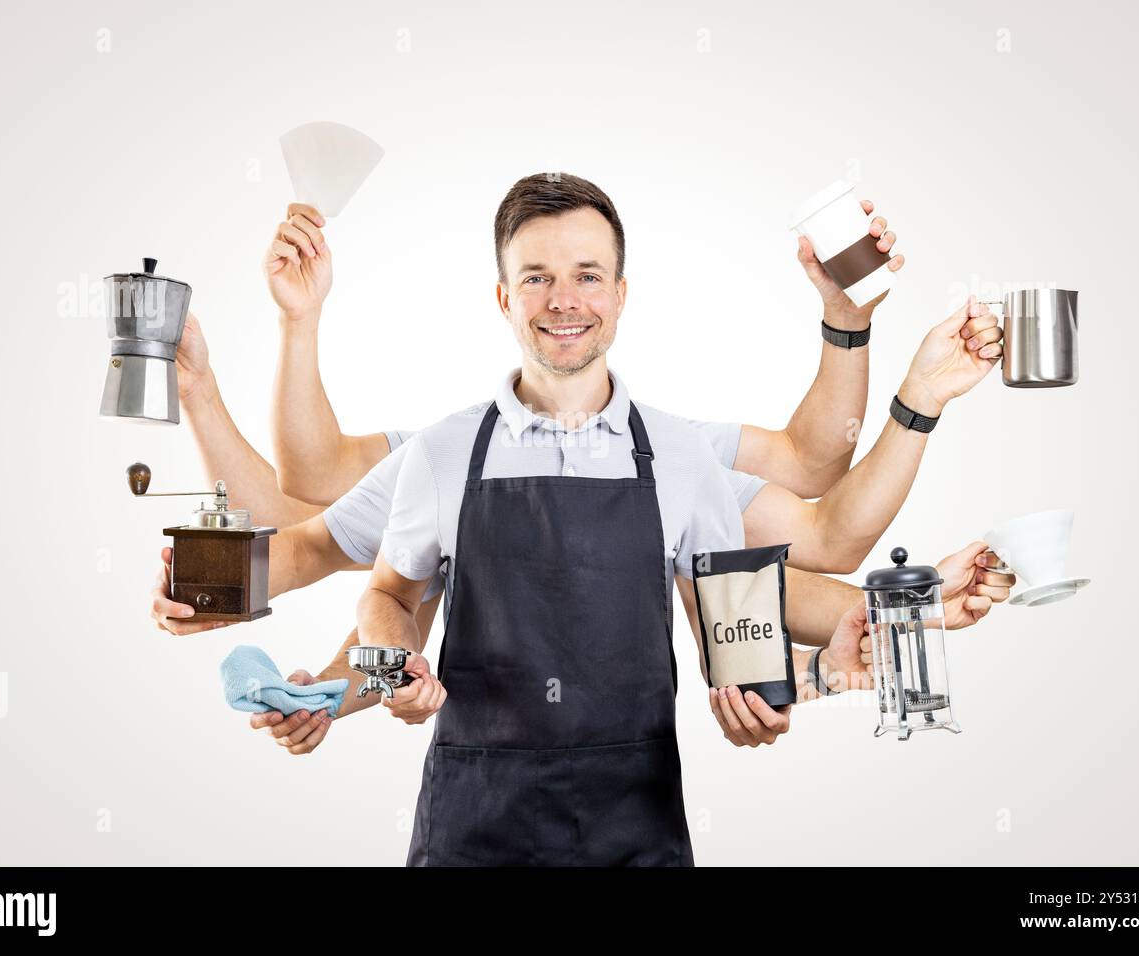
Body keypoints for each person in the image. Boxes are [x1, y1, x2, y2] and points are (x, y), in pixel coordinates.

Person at [342, 172, 999, 865]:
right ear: (504, 298)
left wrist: (822, 675)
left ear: (621, 295)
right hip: (467, 830)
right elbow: (387, 593)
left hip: (636, 830)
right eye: (536, 278)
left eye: (588, 276)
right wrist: (392, 669)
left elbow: (741, 653)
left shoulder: (683, 458)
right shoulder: (442, 454)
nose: (564, 300)